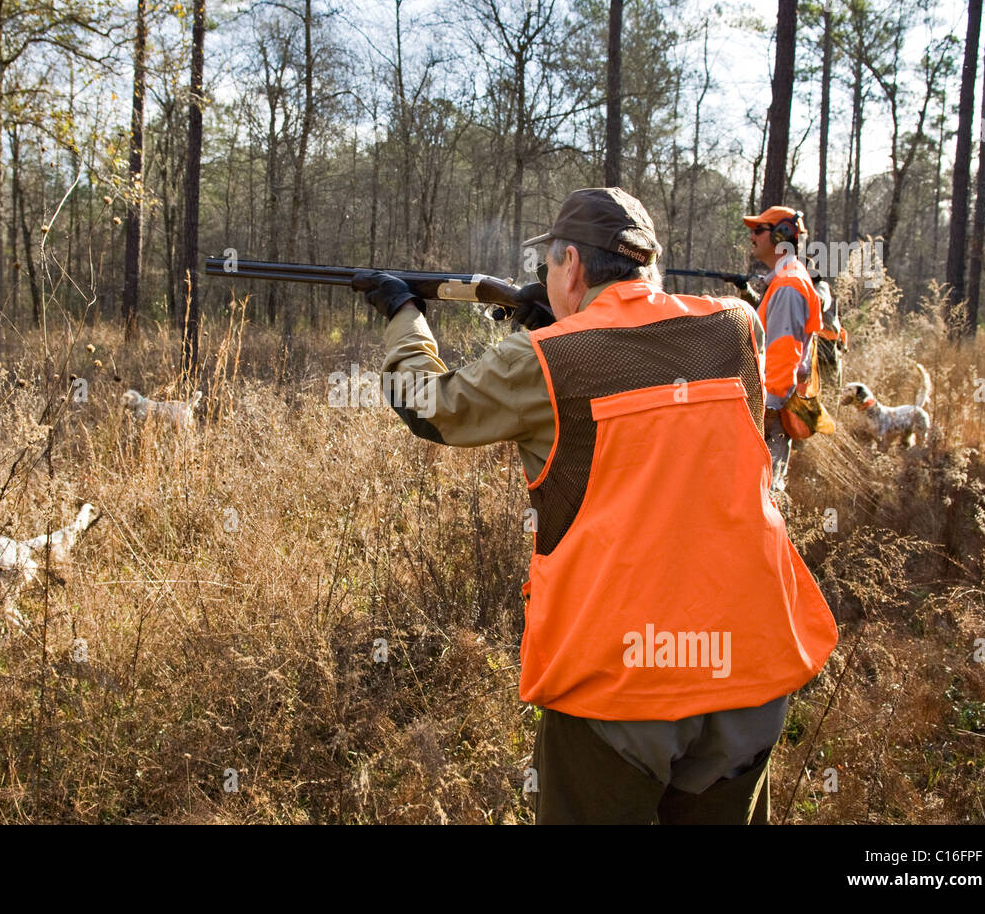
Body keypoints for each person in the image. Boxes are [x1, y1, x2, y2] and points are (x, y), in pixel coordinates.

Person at [357, 187, 838, 824]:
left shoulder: (545, 358)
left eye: (549, 266)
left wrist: (402, 311)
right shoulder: (734, 328)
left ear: (572, 267)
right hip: (749, 666)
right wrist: (557, 325)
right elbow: (651, 382)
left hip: (623, 684)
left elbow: (431, 406)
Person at [738, 206, 824, 495]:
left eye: (758, 230)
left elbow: (784, 355)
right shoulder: (784, 279)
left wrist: (766, 411)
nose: (752, 236)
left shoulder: (788, 285)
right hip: (769, 409)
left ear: (780, 236)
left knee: (767, 496)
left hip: (770, 412)